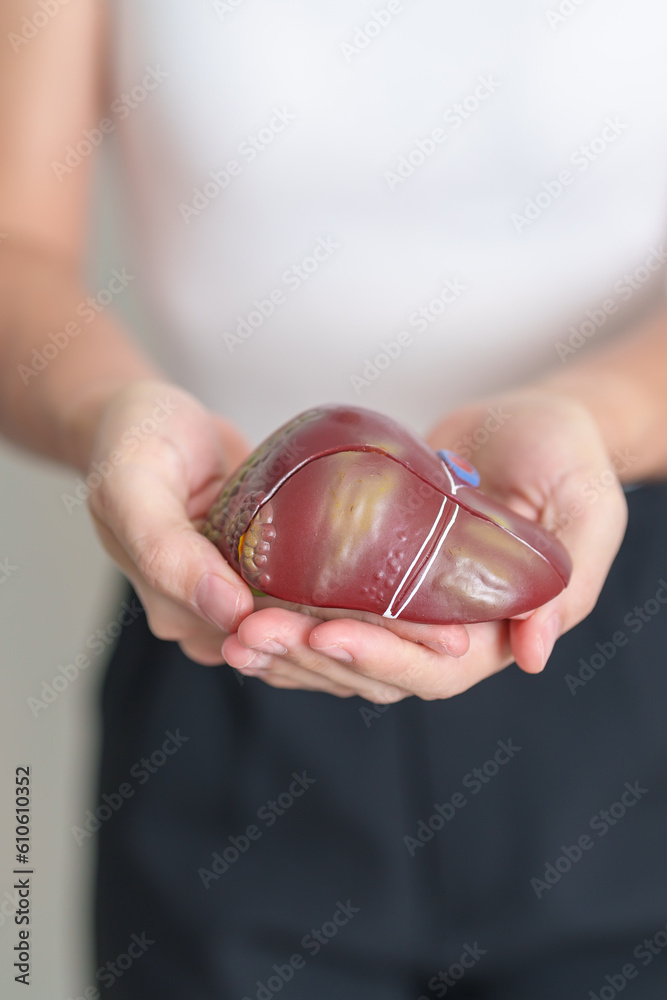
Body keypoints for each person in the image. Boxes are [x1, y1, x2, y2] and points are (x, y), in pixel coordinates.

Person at [2, 0, 667, 996]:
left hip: (612, 620)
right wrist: (108, 414)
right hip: (220, 605)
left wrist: (601, 417)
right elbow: (12, 245)